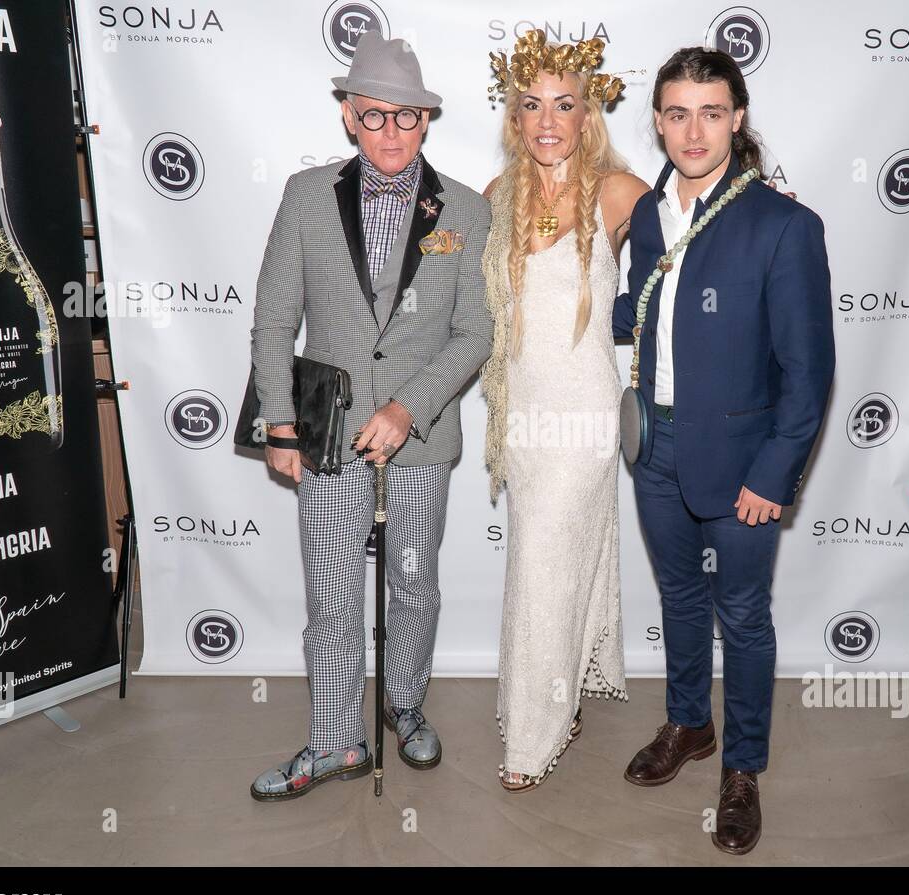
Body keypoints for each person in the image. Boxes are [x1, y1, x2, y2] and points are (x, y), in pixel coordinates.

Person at [247, 30, 493, 800]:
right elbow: (272, 318)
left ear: (428, 122)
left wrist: (407, 406)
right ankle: (333, 742)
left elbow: (476, 331)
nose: (392, 133)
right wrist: (279, 426)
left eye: (408, 118)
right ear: (349, 116)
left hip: (419, 438)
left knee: (414, 585)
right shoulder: (304, 196)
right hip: (326, 437)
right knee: (332, 595)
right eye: (375, 116)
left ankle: (405, 703)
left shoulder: (466, 208)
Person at [612, 47, 835, 853]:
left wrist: (774, 472)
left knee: (741, 615)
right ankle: (687, 723)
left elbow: (809, 372)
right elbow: (640, 313)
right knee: (679, 596)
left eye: (711, 111)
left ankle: (741, 768)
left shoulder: (783, 224)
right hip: (657, 445)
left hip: (742, 459)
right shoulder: (647, 214)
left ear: (737, 119)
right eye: (676, 112)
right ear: (660, 122)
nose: (693, 129)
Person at [479, 30, 649, 791]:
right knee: (537, 557)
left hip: (582, 415)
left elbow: (670, 283)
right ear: (515, 117)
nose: (547, 120)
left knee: (546, 561)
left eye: (564, 105)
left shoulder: (618, 190)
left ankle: (533, 735)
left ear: (588, 115)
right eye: (531, 105)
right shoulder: (495, 195)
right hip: (518, 414)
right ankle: (563, 690)